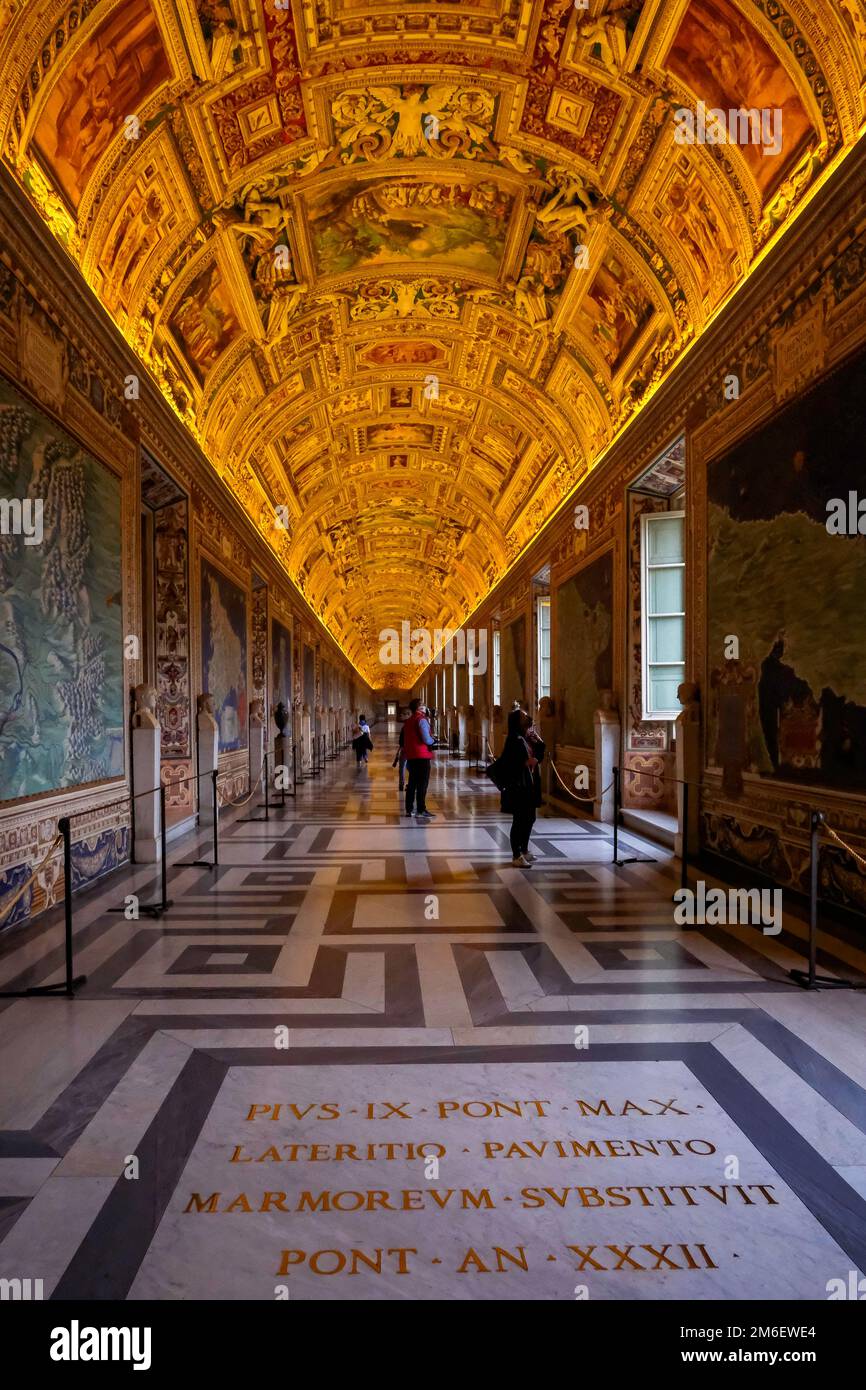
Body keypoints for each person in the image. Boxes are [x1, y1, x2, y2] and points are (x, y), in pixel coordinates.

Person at [498, 707, 545, 865]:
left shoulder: (526, 737)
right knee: (519, 820)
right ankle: (516, 855)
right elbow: (508, 763)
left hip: (530, 784)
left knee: (530, 818)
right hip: (519, 786)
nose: (528, 718)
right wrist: (525, 763)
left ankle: (524, 849)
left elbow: (541, 751)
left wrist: (537, 739)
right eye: (524, 716)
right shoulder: (513, 739)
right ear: (517, 721)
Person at [402, 698, 436, 819]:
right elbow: (426, 739)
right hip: (422, 755)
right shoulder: (421, 720)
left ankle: (409, 809)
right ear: (419, 707)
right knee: (422, 784)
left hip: (411, 756)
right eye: (423, 705)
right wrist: (434, 740)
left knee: (412, 783)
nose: (425, 706)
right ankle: (421, 809)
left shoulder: (408, 721)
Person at [392, 722, 407, 792]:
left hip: (404, 749)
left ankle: (401, 784)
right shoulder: (416, 726)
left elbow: (401, 742)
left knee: (402, 767)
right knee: (413, 769)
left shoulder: (404, 727)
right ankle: (411, 784)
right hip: (413, 750)